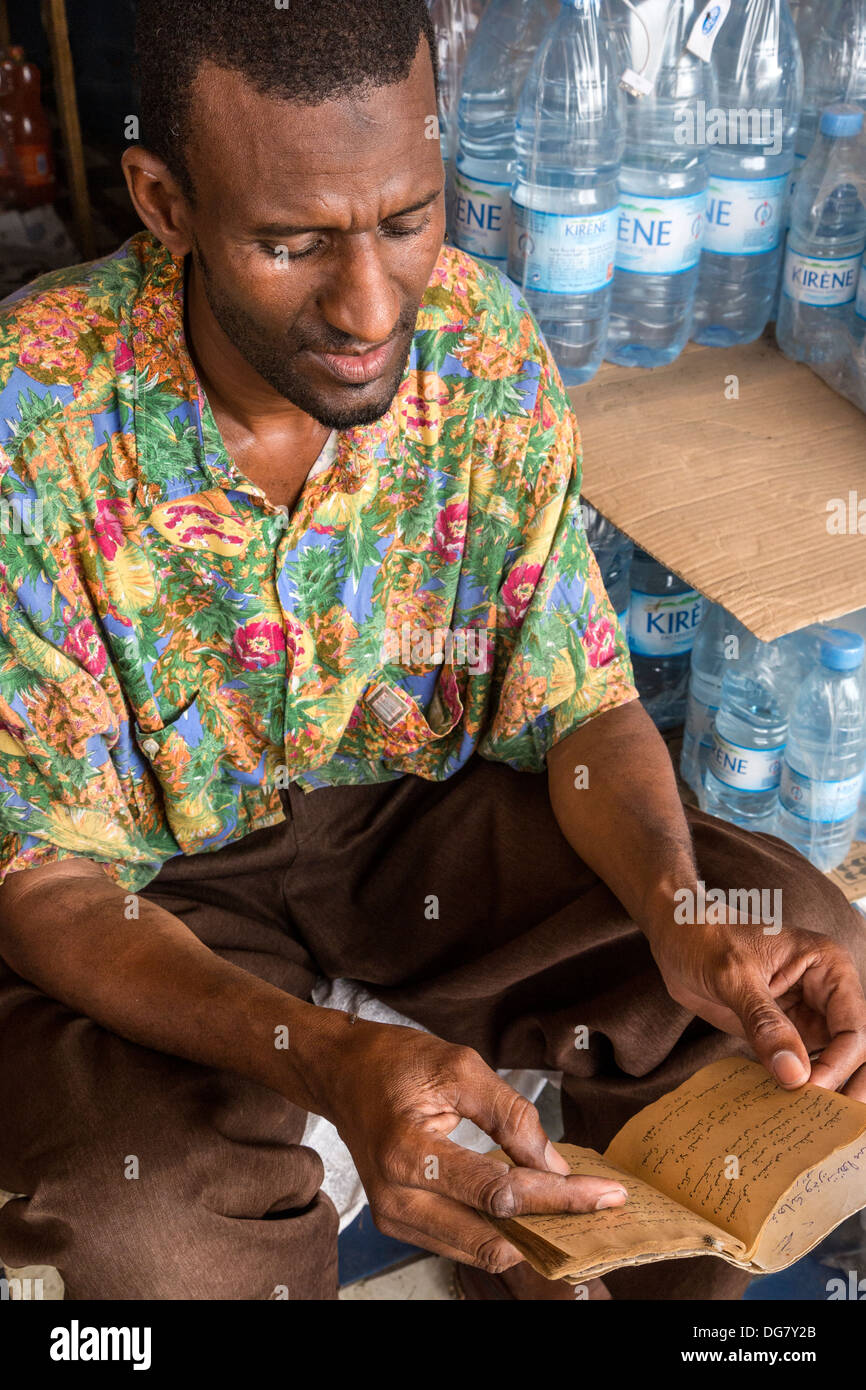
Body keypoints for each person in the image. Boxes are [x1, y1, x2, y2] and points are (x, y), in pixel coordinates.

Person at [0, 0, 863, 1303]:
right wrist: (324, 1054)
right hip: (145, 887)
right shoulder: (33, 413)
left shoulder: (480, 343)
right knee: (153, 1233)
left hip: (412, 817)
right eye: (291, 242)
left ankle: (572, 1273)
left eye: (405, 219)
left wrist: (680, 905)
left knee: (788, 948)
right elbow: (48, 883)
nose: (368, 306)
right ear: (163, 202)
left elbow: (575, 702)